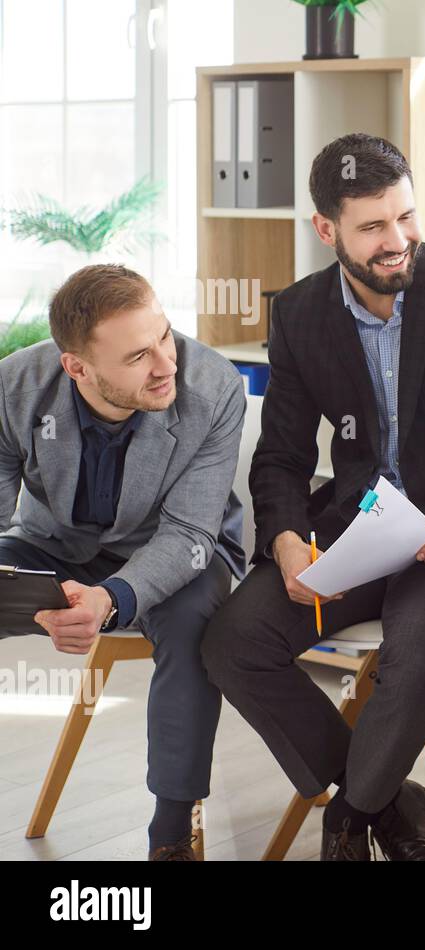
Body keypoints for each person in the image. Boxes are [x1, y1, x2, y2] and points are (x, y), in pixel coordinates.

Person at [201, 133, 425, 861]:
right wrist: (287, 536)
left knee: (417, 653)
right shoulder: (298, 314)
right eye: (373, 227)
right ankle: (386, 799)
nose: (398, 241)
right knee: (234, 642)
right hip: (357, 529)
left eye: (406, 217)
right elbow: (284, 454)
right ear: (326, 231)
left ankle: (350, 816)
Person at [0, 264, 245, 860]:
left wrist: (109, 598)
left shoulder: (212, 387)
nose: (167, 364)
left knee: (193, 629)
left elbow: (189, 528)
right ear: (77, 367)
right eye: (138, 356)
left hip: (180, 548)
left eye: (164, 335)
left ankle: (169, 840)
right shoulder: (14, 389)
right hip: (54, 546)